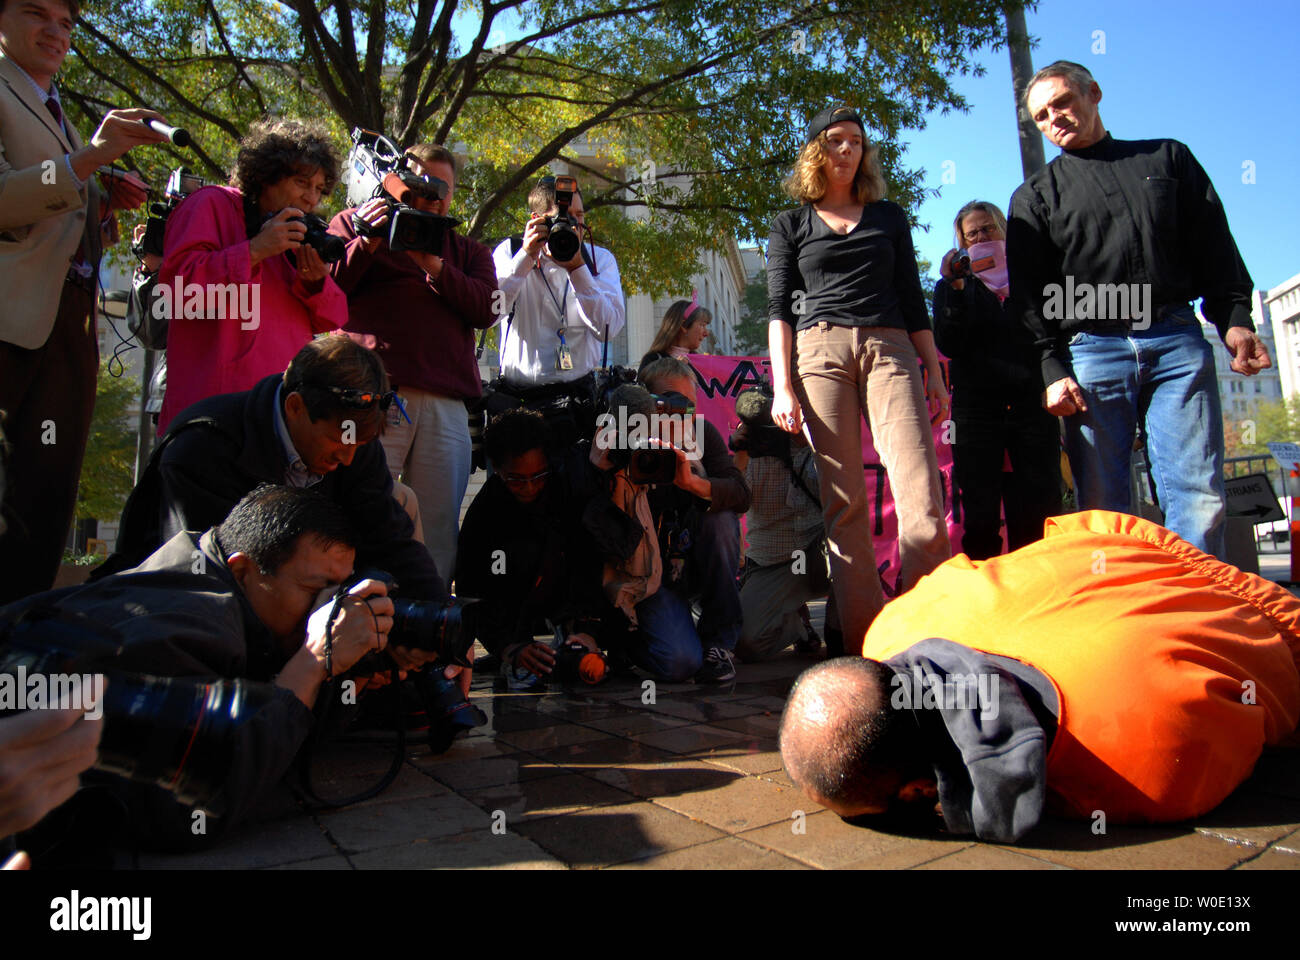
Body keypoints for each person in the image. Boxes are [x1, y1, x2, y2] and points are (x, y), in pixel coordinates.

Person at [779, 510, 1300, 843]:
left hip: (1274, 625)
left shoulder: (1146, 772)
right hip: (1112, 537)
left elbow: (1256, 717)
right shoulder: (893, 626)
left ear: (918, 792)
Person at [1, 485, 404, 851]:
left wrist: (353, 671)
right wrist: (315, 660)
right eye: (315, 590)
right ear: (244, 568)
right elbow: (192, 807)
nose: (330, 609)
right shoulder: (190, 623)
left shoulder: (206, 576)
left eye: (339, 591)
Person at [1007, 61, 1270, 561]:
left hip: (1175, 338)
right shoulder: (1033, 198)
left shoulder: (1168, 159)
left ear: (1094, 93)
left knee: (1200, 493)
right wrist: (1051, 369)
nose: (1054, 118)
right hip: (1090, 351)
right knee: (1103, 504)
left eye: (1062, 102)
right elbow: (1030, 298)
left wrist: (1235, 321)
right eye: (1042, 115)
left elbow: (1216, 249)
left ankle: (1192, 613)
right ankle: (1121, 622)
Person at [0, 0, 168, 603]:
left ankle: (18, 652)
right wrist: (90, 160)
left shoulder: (59, 114)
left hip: (69, 333)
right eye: (35, 12)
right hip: (10, 327)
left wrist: (100, 206)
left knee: (43, 498)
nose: (54, 31)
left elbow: (54, 210)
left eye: (66, 22)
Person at [766, 104, 950, 652]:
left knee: (919, 489)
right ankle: (868, 646)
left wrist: (935, 371)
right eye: (835, 140)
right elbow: (778, 308)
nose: (847, 150)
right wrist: (781, 384)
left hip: (890, 345)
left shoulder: (890, 216)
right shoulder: (790, 223)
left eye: (856, 142)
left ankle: (924, 635)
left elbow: (914, 300)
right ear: (816, 150)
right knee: (844, 502)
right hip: (818, 350)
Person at [99, 335, 450, 610]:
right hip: (181, 612)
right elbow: (207, 581)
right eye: (337, 441)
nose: (347, 457)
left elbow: (388, 539)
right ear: (295, 406)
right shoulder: (203, 449)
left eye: (359, 444)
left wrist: (439, 619)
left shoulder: (353, 437)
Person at [328, 143, 497, 579]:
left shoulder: (468, 252)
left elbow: (487, 309)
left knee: (438, 526)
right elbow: (327, 291)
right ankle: (353, 618)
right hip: (372, 397)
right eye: (426, 183)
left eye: (446, 188)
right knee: (355, 509)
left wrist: (435, 267)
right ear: (402, 180)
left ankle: (431, 624)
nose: (436, 196)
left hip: (446, 403)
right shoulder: (355, 223)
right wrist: (367, 241)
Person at [156, 117, 348, 433]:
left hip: (278, 417)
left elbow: (335, 317)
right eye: (302, 183)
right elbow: (176, 295)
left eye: (318, 188)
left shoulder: (299, 235)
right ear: (265, 176)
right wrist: (254, 251)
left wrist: (315, 283)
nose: (311, 199)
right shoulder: (211, 204)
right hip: (211, 418)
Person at [933, 200, 1061, 559]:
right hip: (977, 412)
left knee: (1038, 512)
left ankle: (1040, 593)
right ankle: (990, 602)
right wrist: (956, 291)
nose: (980, 237)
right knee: (981, 516)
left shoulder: (1029, 276)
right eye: (971, 233)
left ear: (1002, 229)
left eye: (987, 229)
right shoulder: (953, 286)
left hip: (1032, 406)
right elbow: (948, 343)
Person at [455, 408, 604, 687]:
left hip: (562, 592)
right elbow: (470, 589)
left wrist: (587, 629)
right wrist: (507, 647)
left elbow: (589, 562)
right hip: (510, 608)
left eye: (538, 476)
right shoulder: (485, 514)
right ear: (497, 469)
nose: (529, 488)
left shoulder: (566, 491)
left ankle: (568, 630)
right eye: (516, 479)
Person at [638, 357, 750, 682]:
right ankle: (627, 639)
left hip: (693, 561)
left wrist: (693, 483)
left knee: (721, 519)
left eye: (687, 406)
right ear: (646, 404)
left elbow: (740, 494)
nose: (678, 414)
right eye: (667, 403)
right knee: (680, 663)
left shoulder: (701, 434)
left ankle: (719, 641)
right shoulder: (629, 435)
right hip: (651, 574)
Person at [492, 174, 625, 446]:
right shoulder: (509, 252)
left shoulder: (599, 260)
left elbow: (609, 327)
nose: (573, 225)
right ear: (536, 219)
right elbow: (489, 311)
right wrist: (526, 258)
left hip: (576, 406)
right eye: (563, 218)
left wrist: (578, 269)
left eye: (578, 216)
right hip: (518, 405)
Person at [729, 387, 840, 662]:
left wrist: (806, 440)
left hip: (820, 551)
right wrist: (741, 455)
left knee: (851, 561)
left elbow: (843, 496)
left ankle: (839, 630)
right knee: (747, 643)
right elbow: (736, 503)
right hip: (776, 560)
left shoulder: (821, 440)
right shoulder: (753, 450)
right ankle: (796, 625)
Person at [637, 294, 712, 377]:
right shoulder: (652, 360)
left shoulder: (700, 364)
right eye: (702, 325)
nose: (706, 333)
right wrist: (674, 371)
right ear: (684, 326)